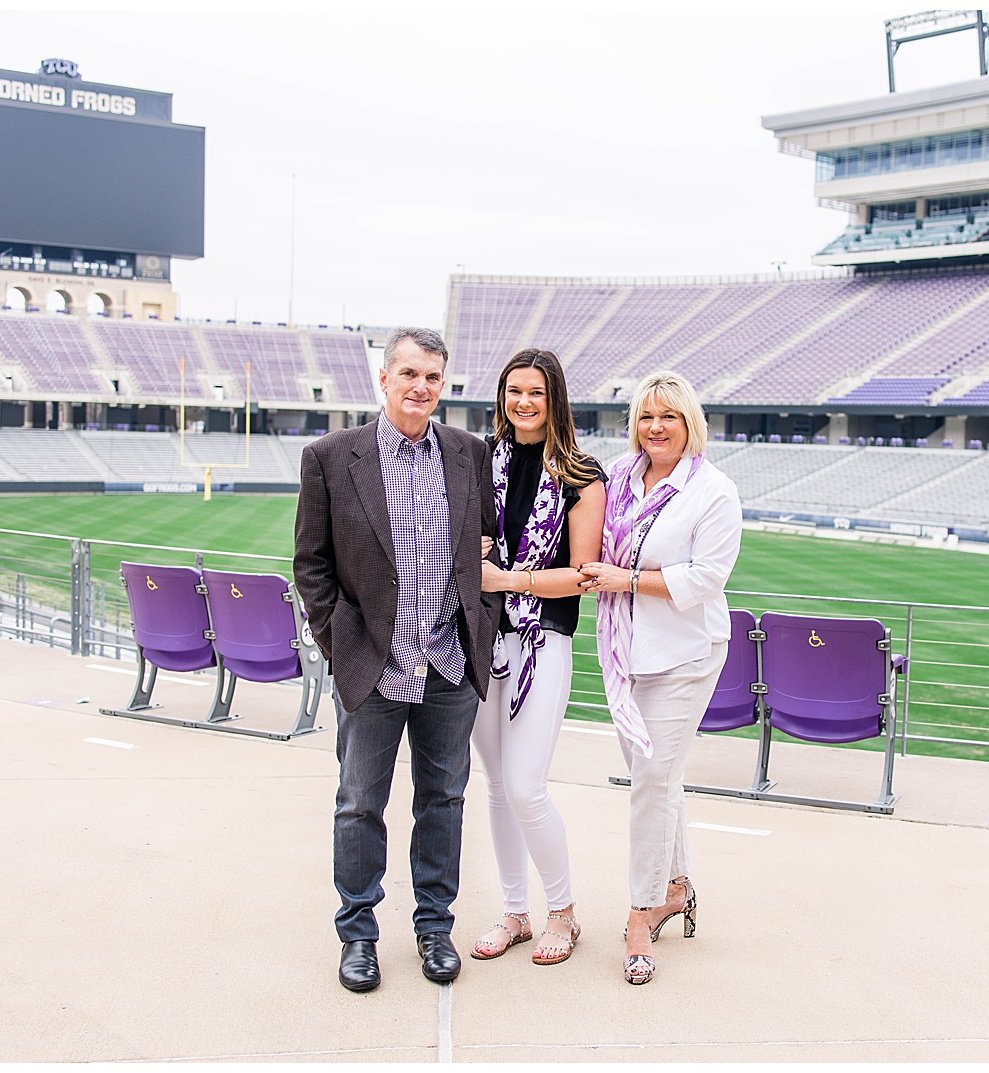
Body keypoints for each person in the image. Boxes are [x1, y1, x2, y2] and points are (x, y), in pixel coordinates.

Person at [292, 326, 499, 994]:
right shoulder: (331, 456)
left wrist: (478, 628)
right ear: (384, 379)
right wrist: (340, 641)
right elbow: (311, 565)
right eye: (409, 373)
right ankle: (357, 933)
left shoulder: (470, 454)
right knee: (359, 803)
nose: (421, 388)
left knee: (442, 799)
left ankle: (434, 926)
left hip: (445, 662)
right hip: (373, 665)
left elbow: (485, 551)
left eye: (433, 377)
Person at [577, 370, 742, 986]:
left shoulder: (713, 491)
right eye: (646, 417)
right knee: (662, 778)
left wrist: (626, 580)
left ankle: (641, 917)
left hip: (684, 655)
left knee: (649, 781)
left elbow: (705, 579)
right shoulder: (618, 477)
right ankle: (676, 886)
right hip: (625, 652)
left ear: (688, 423)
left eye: (667, 417)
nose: (655, 428)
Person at [468, 348, 606, 967]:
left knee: (526, 785)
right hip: (479, 639)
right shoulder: (479, 461)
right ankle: (515, 911)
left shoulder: (582, 475)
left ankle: (563, 913)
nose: (523, 403)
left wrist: (507, 581)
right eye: (513, 391)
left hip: (541, 639)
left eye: (536, 393)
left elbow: (581, 576)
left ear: (556, 400)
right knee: (496, 785)